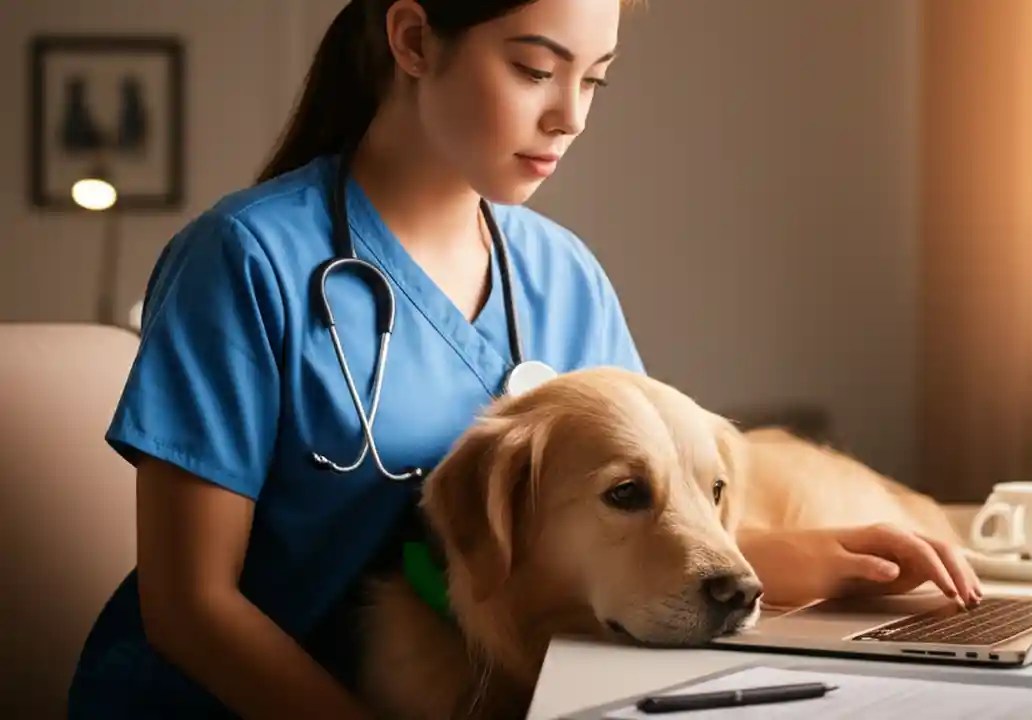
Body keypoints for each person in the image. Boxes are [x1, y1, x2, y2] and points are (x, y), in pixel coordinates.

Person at [68, 1, 980, 717]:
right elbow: (189, 607)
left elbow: (619, 549)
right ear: (415, 40)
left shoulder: (560, 276)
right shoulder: (246, 261)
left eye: (596, 82)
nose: (569, 116)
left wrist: (836, 560)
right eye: (535, 69)